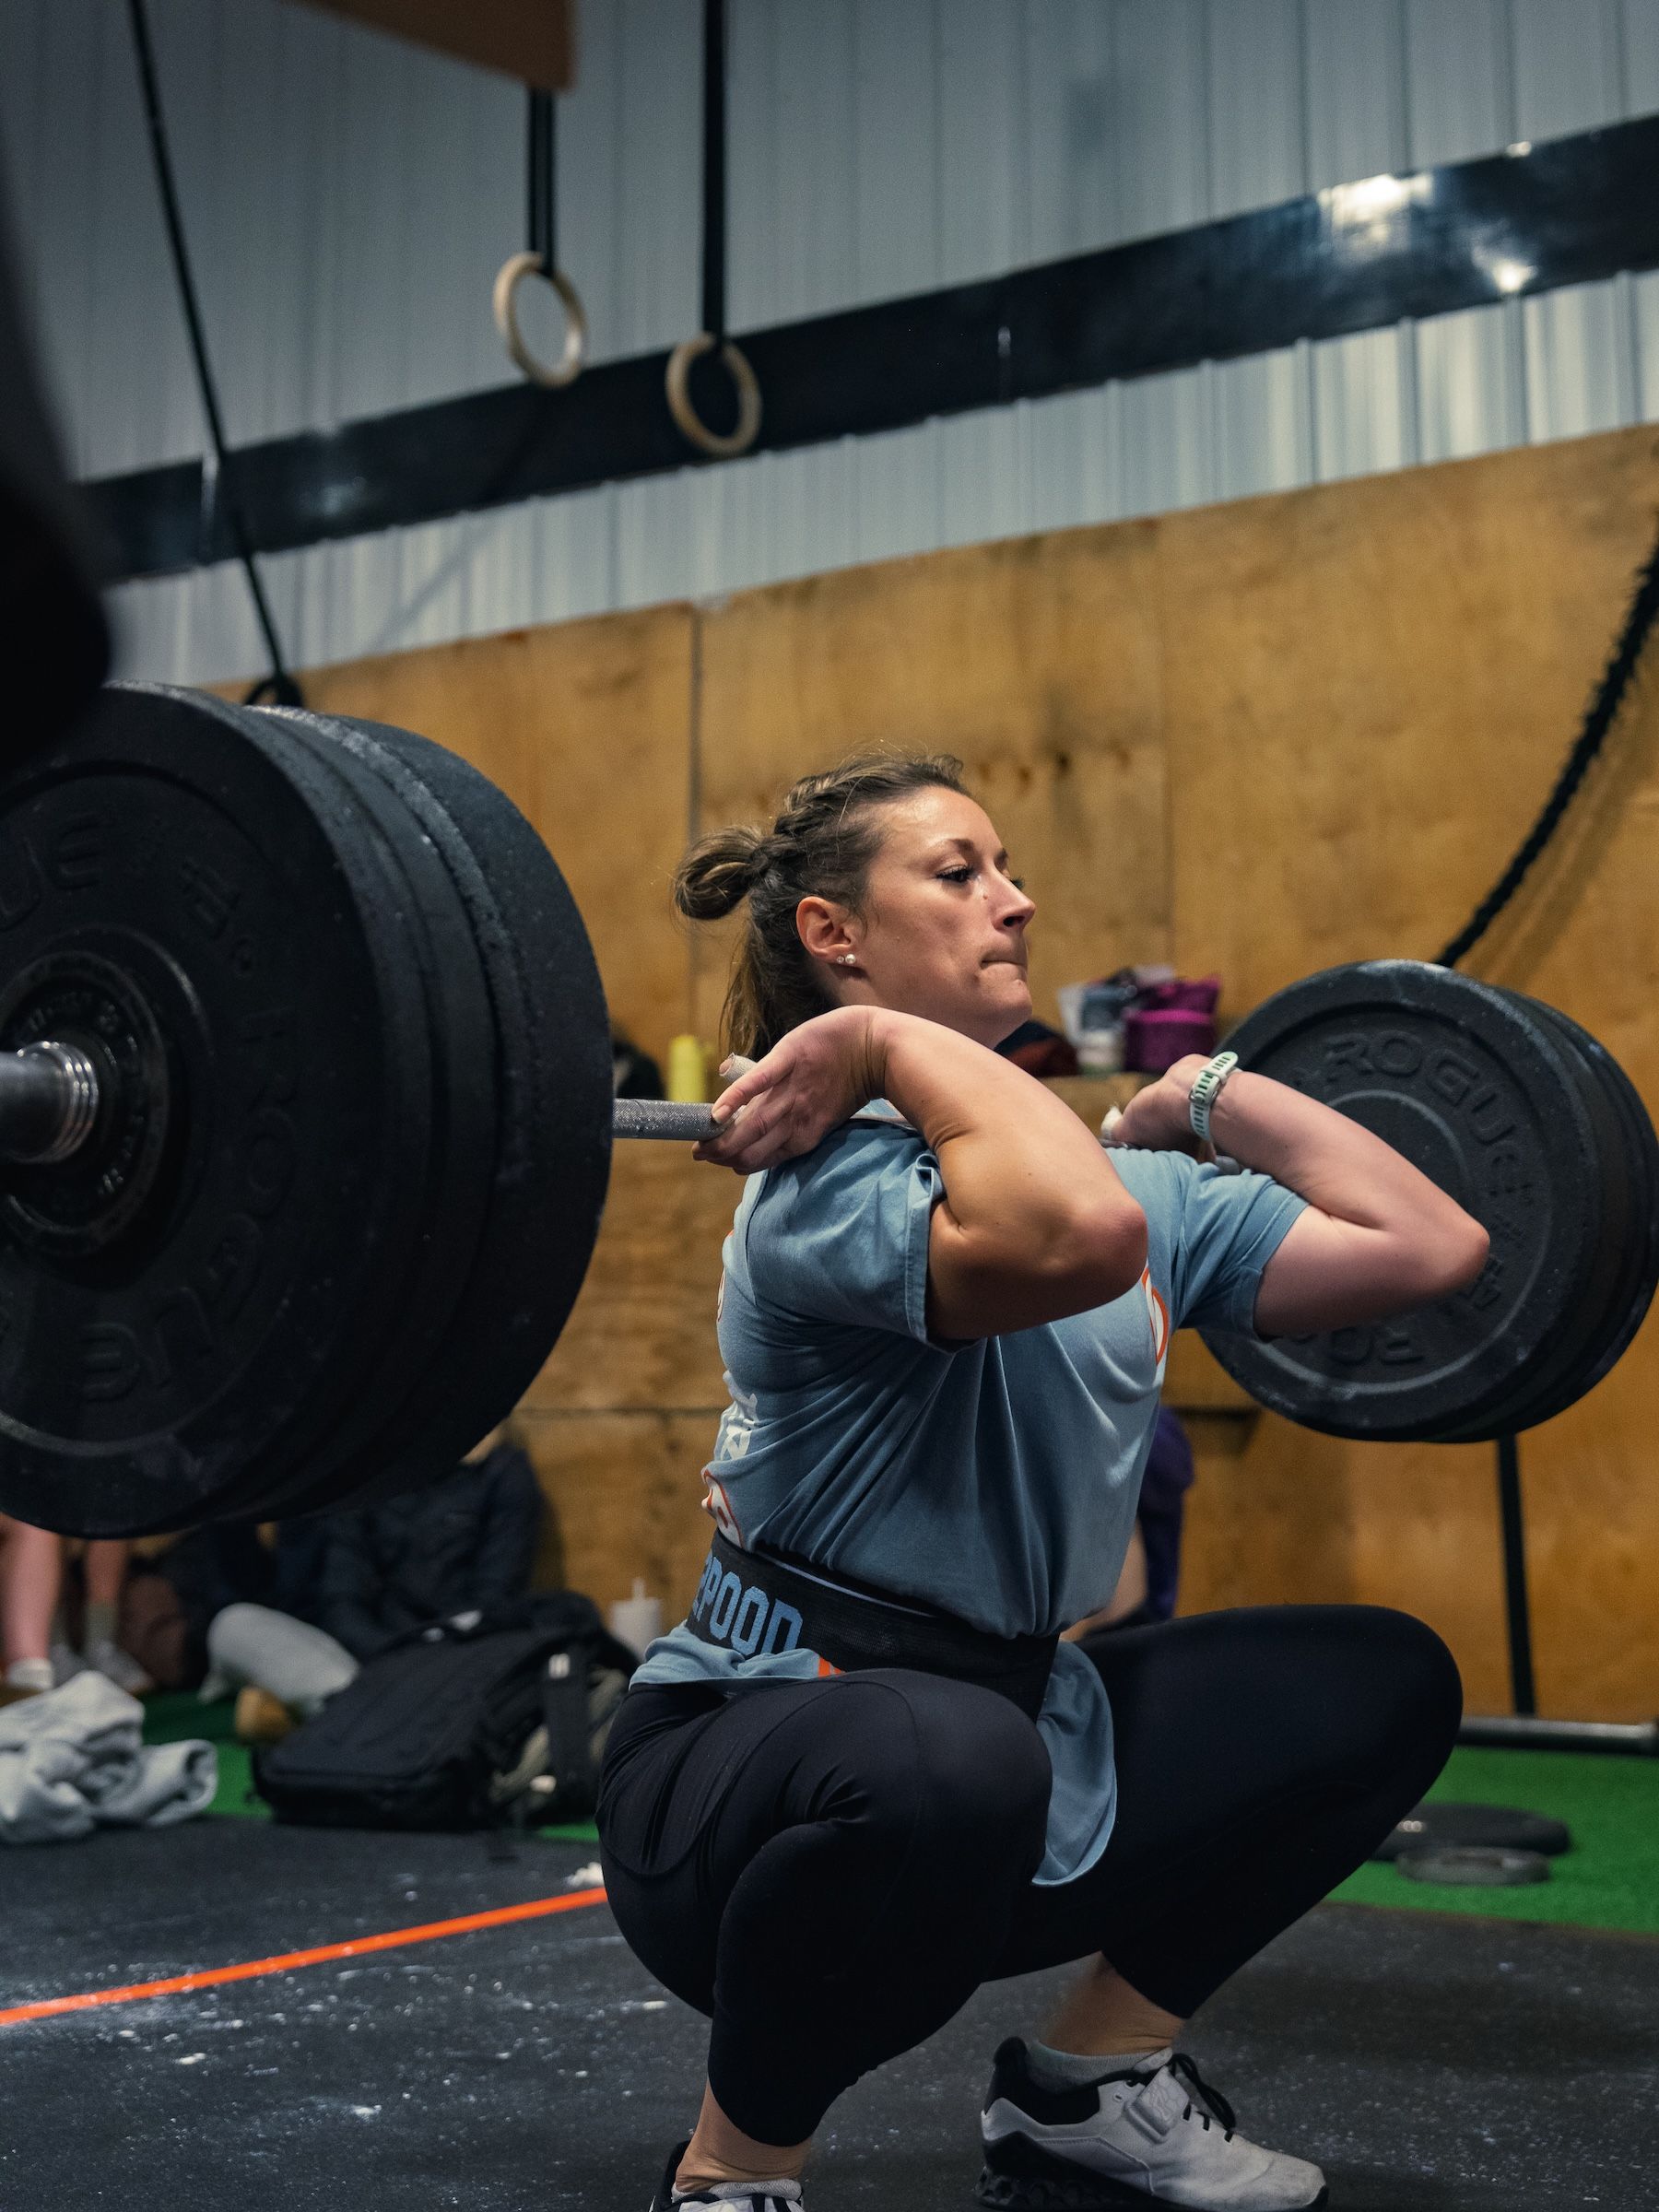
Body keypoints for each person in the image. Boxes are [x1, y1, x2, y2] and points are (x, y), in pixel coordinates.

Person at [594, 753, 1486, 2212]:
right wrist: (876, 1049)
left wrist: (1210, 1093)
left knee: (1381, 1682)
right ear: (834, 933)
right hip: (745, 1789)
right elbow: (1074, 1235)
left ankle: (1092, 2088)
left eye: (1007, 870)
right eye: (960, 873)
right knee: (950, 1756)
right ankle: (731, 2171)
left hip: (1009, 1751)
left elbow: (1431, 1248)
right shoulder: (822, 1190)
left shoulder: (1115, 1176)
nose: (1014, 900)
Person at [202, 1424, 542, 1736]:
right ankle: (369, 1721)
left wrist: (418, 1663)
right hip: (363, 1665)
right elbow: (342, 1597)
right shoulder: (373, 1468)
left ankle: (354, 1724)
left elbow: (492, 1603)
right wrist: (384, 1660)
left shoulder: (501, 1472)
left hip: (447, 1666)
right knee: (234, 1623)